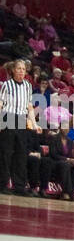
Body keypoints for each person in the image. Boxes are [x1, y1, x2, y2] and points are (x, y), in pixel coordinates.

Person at [0, 59, 37, 195]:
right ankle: (2, 185)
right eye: (19, 68)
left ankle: (19, 186)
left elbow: (29, 107)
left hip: (21, 120)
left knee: (21, 154)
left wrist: (34, 123)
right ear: (13, 70)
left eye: (23, 69)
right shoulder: (7, 85)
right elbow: (1, 104)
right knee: (6, 154)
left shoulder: (28, 86)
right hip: (8, 117)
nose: (22, 71)